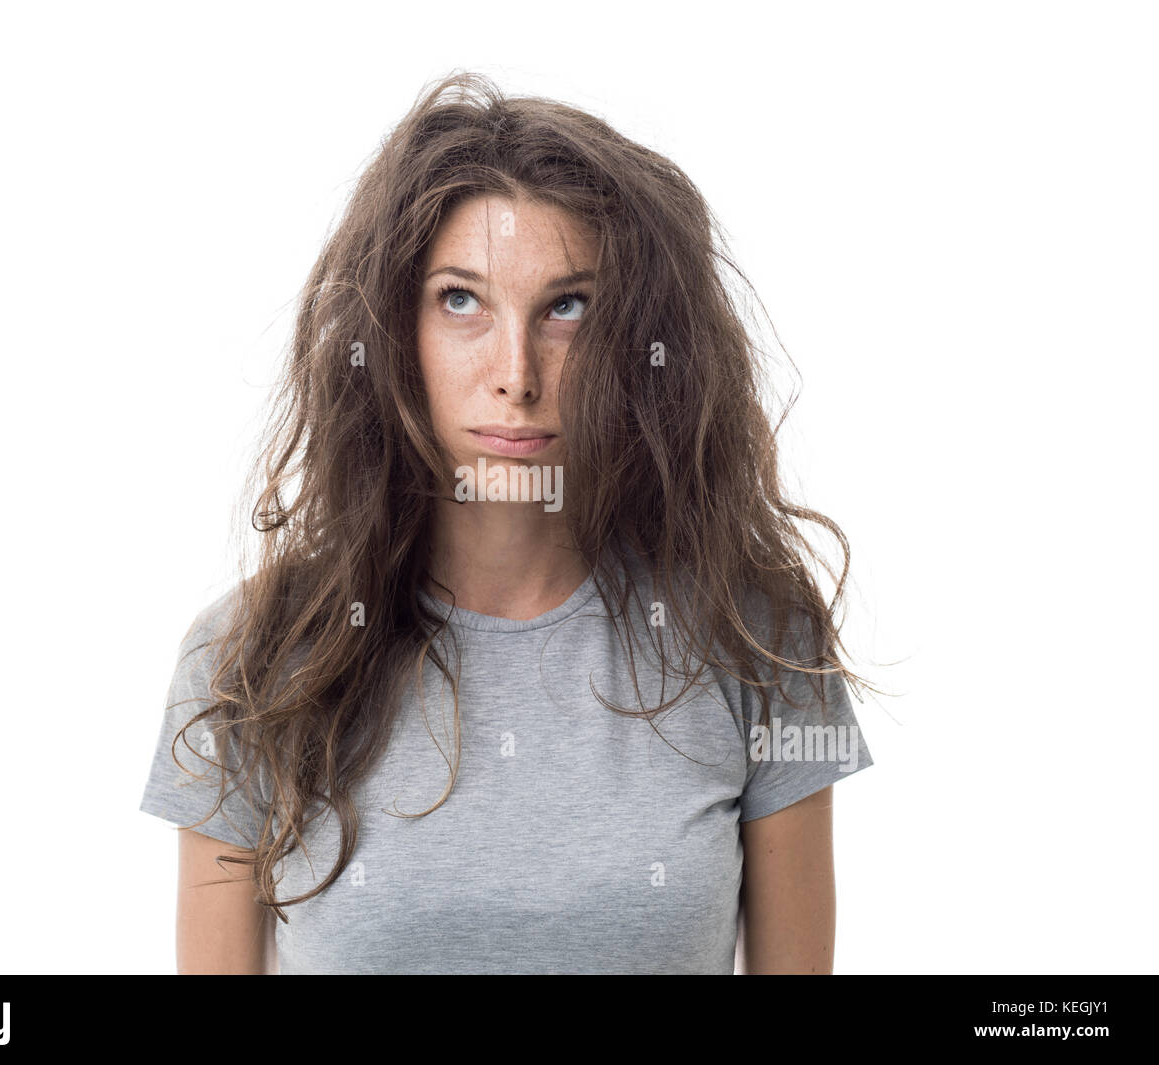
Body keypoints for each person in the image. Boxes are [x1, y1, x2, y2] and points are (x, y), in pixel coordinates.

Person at [138, 71, 878, 975]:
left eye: (569, 307)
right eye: (462, 299)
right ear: (393, 327)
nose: (515, 374)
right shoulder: (248, 656)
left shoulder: (760, 636)